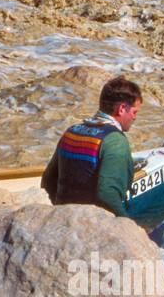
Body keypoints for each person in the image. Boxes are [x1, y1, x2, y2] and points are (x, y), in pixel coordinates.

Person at [41, 77, 142, 217]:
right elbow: (107, 193)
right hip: (92, 222)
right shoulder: (116, 142)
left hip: (63, 216)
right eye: (134, 112)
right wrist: (128, 224)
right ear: (122, 109)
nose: (135, 118)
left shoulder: (71, 131)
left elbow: (48, 179)